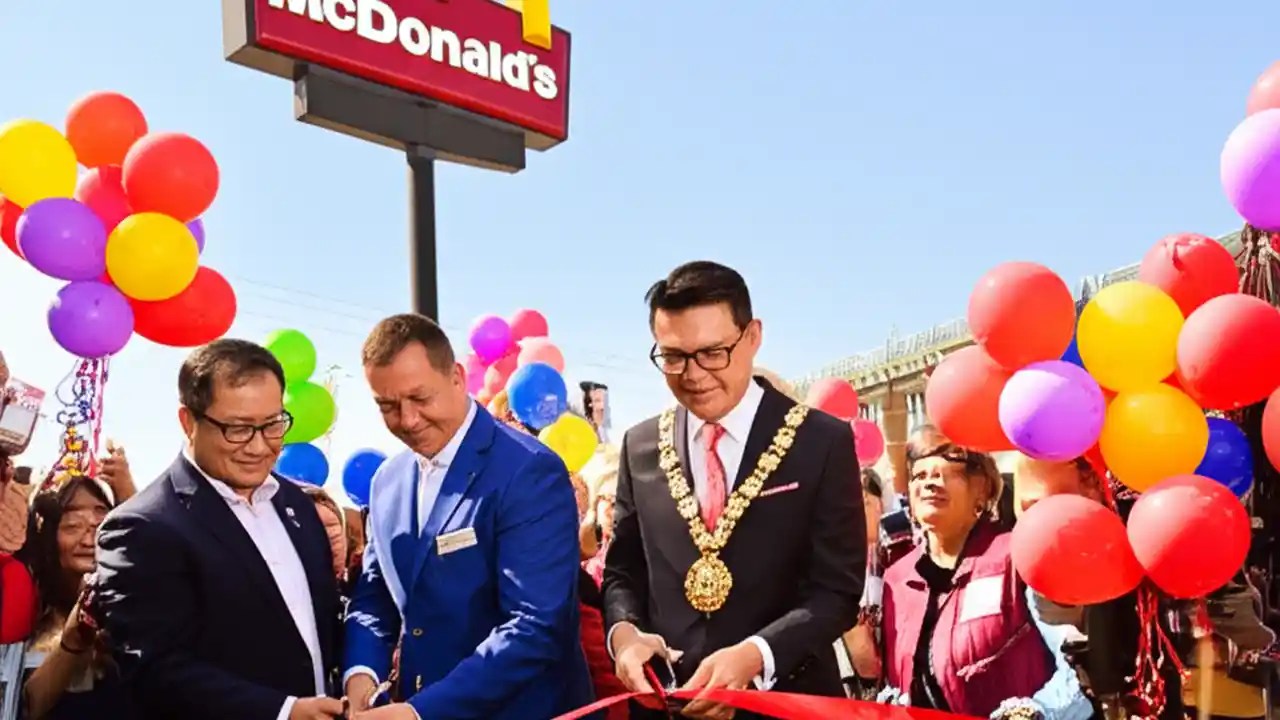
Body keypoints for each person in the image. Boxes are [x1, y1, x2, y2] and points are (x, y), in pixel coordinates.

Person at [603, 261, 864, 719]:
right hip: (667, 707)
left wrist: (756, 656)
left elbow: (836, 593)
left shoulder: (820, 441)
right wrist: (625, 636)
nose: (694, 374)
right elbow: (623, 572)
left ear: (752, 336)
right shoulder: (640, 445)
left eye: (712, 353)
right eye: (673, 357)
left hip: (786, 704)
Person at [343, 313, 592, 720]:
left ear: (457, 377)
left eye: (421, 398)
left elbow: (536, 626)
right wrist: (361, 675)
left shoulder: (527, 469)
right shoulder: (386, 481)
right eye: (387, 405)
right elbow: (374, 598)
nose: (407, 419)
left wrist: (421, 713)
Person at [90, 339, 344, 720]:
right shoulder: (142, 526)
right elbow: (155, 668)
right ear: (188, 421)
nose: (260, 447)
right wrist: (283, 712)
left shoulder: (298, 506)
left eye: (273, 424)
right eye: (238, 429)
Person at [880, 427, 1074, 719]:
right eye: (920, 476)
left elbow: (1074, 665)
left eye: (946, 473)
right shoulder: (896, 581)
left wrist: (1037, 711)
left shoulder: (1018, 557)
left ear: (981, 490)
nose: (930, 483)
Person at [21, 476, 134, 719]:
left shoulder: (133, 605)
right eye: (72, 526)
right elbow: (25, 708)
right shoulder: (23, 608)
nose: (88, 540)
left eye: (101, 525)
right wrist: (73, 640)